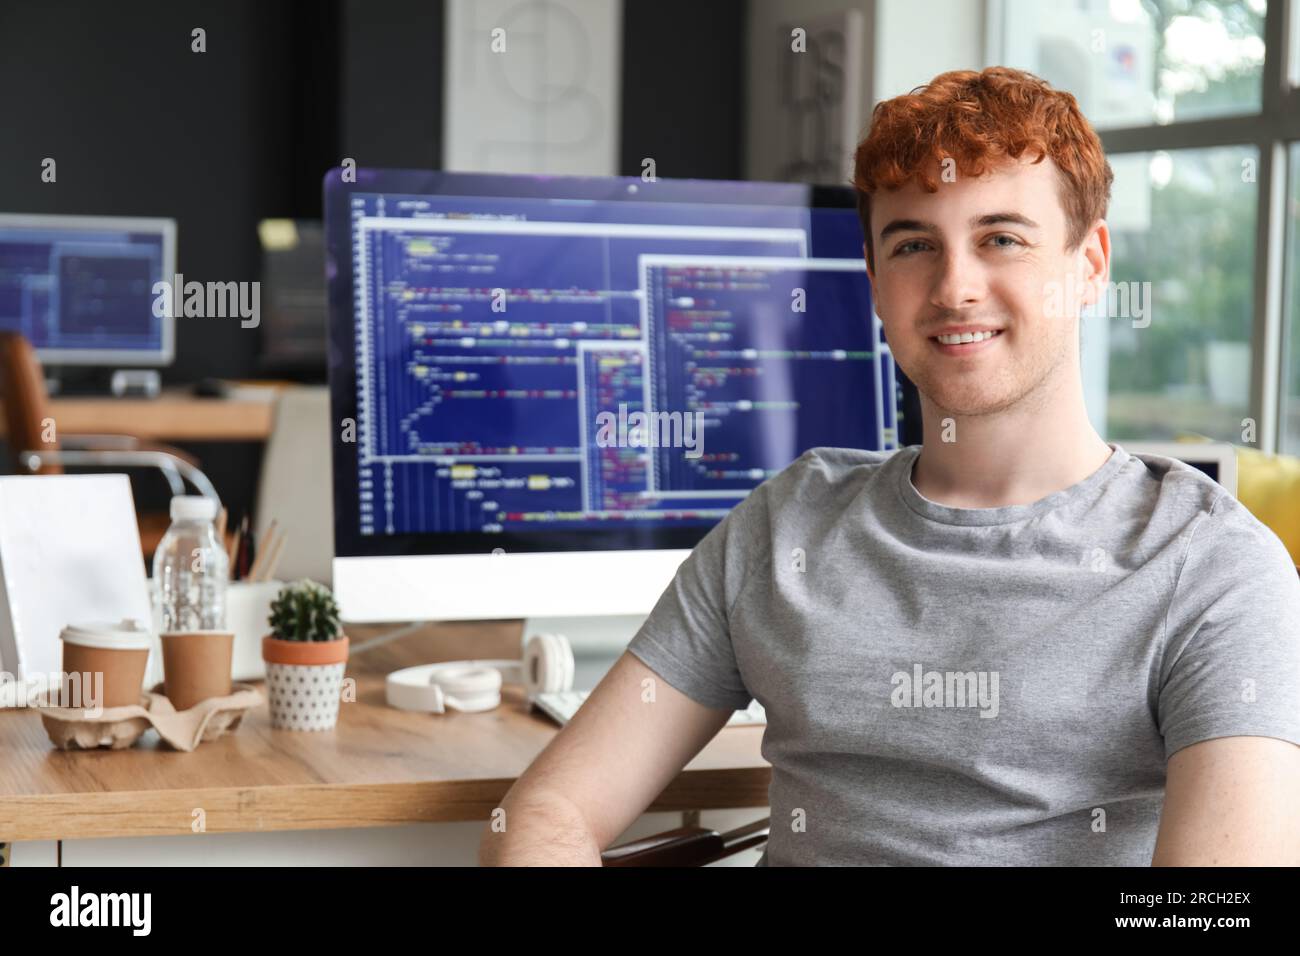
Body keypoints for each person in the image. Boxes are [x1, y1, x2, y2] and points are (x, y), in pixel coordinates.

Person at [479, 66, 1300, 866]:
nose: (954, 288)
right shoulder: (788, 523)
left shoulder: (1213, 569)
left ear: (1088, 267)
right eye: (913, 246)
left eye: (1002, 239)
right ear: (873, 279)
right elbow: (544, 811)